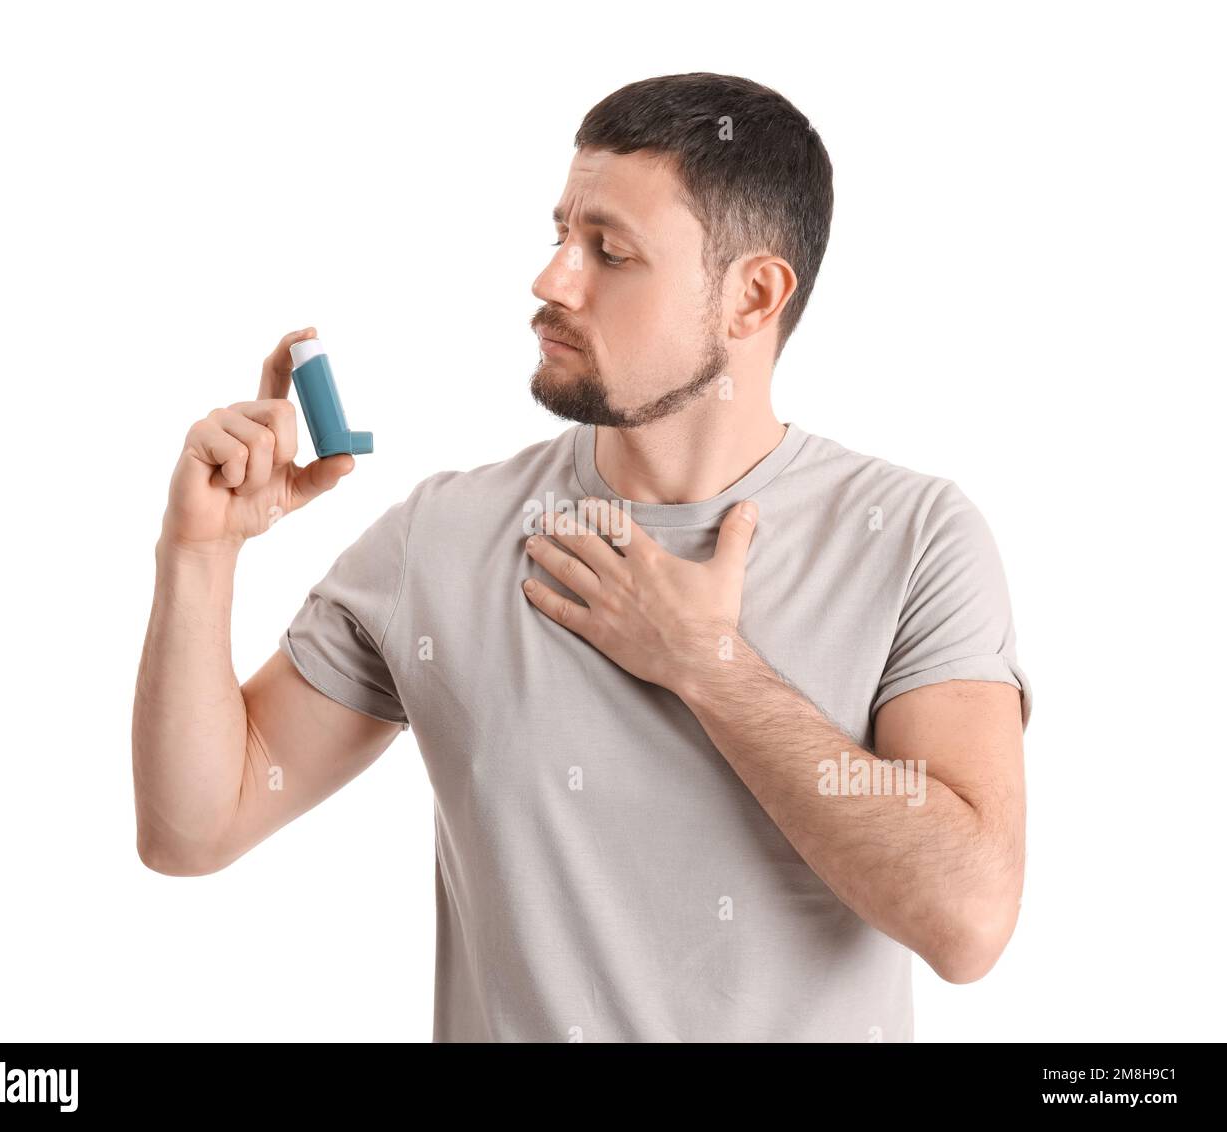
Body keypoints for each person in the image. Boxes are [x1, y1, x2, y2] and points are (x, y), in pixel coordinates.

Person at [133, 72, 1031, 1043]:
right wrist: (199, 555)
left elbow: (968, 920)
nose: (553, 280)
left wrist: (707, 665)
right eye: (561, 235)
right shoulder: (444, 535)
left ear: (752, 295)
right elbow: (195, 827)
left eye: (608, 250)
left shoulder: (910, 538)